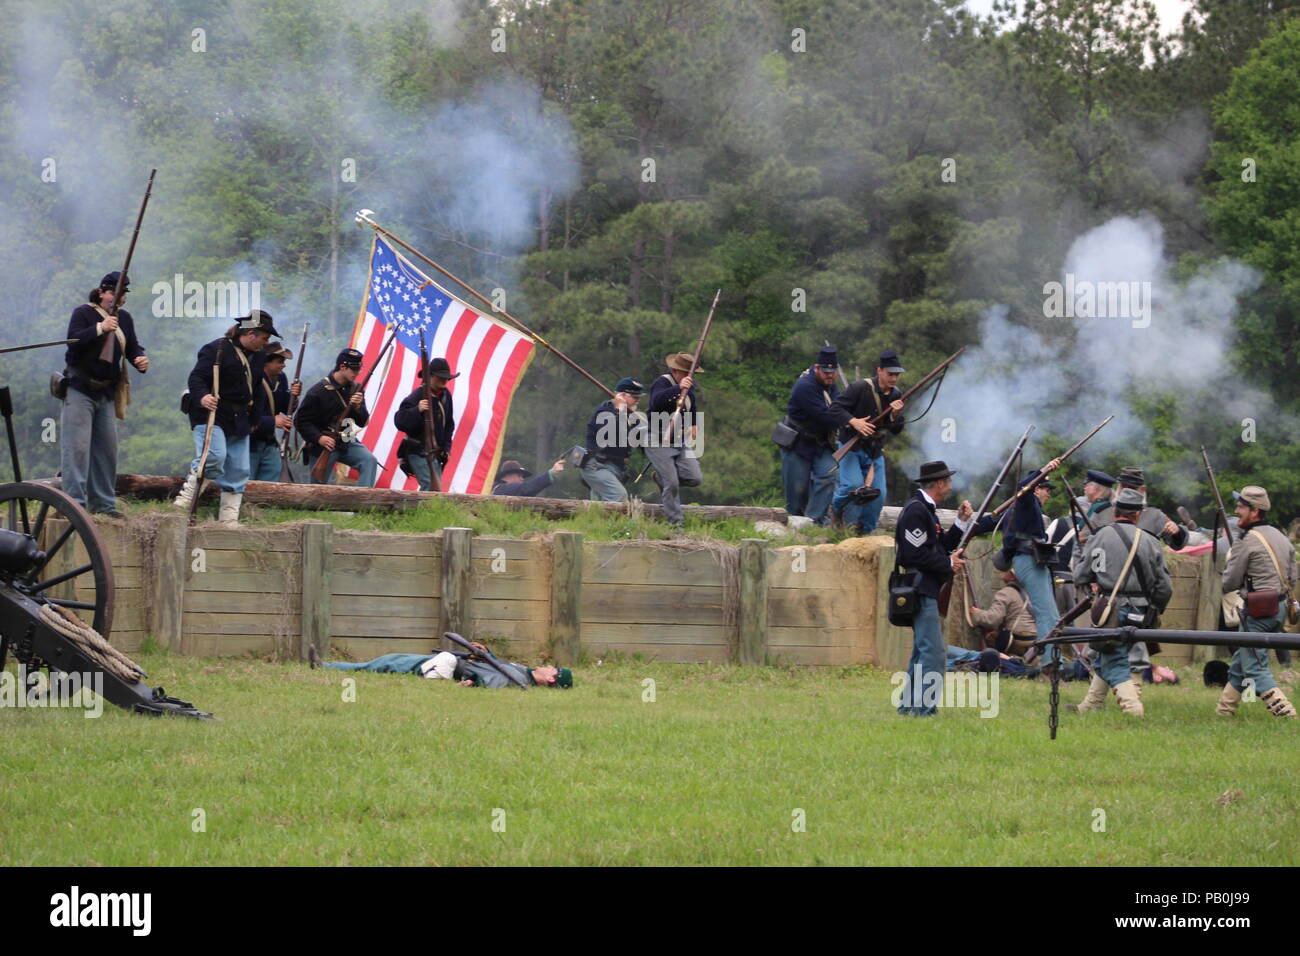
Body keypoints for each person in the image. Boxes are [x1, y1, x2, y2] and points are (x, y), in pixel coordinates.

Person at [1071, 488, 1173, 716]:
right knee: (1104, 654)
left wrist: (1088, 569)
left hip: (1110, 609)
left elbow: (1080, 576)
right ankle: (1091, 704)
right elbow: (1165, 587)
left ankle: (1133, 708)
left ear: (1115, 510)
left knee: (1113, 658)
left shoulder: (1100, 536)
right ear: (1138, 514)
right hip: (1142, 611)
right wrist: (1154, 609)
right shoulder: (1150, 541)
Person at [173, 311, 277, 525]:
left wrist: (255, 418)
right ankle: (182, 504)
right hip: (211, 413)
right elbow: (197, 377)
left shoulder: (258, 356)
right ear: (251, 334)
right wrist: (203, 397)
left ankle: (228, 520)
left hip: (241, 418)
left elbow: (257, 389)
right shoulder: (216, 349)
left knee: (239, 469)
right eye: (265, 338)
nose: (266, 343)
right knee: (213, 458)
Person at [894, 460, 981, 716]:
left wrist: (961, 523)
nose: (951, 487)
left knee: (922, 651)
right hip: (920, 588)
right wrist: (947, 562)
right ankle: (924, 710)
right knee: (933, 654)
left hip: (924, 587)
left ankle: (909, 707)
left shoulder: (925, 511)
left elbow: (939, 545)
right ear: (940, 483)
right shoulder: (916, 511)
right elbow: (912, 555)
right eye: (949, 482)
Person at [59, 271, 149, 517]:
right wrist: (100, 328)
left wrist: (139, 358)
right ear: (101, 293)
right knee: (76, 448)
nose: (118, 299)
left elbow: (131, 346)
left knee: (107, 451)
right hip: (80, 387)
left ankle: (104, 505)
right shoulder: (84, 313)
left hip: (106, 390)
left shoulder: (125, 319)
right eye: (114, 293)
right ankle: (75, 505)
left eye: (121, 295)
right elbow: (74, 341)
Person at [1216, 484, 1297, 718]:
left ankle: (1286, 713)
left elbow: (1229, 582)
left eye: (1241, 506)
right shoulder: (1280, 537)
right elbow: (1292, 577)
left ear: (1255, 511)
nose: (1237, 510)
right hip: (1280, 608)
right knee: (1242, 661)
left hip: (1259, 611)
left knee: (1254, 668)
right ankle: (1224, 711)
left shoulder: (1247, 541)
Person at [829, 350, 906, 534]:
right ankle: (836, 510)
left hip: (874, 449)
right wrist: (853, 421)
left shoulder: (896, 394)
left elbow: (895, 430)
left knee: (879, 495)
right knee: (852, 485)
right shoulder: (859, 387)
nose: (894, 378)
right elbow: (834, 409)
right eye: (890, 374)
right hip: (851, 446)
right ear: (879, 370)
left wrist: (895, 415)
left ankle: (866, 531)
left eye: (896, 374)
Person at [997, 462, 1064, 668]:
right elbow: (1022, 489)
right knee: (1047, 614)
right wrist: (1044, 470)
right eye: (1046, 489)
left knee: (1049, 613)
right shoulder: (1027, 502)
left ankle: (1051, 661)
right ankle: (1050, 664)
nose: (1048, 494)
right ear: (1037, 488)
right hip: (1028, 559)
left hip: (1031, 559)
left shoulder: (1027, 506)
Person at [309, 641, 572, 689]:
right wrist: (485, 653)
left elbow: (493, 679)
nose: (549, 666)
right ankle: (328, 666)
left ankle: (326, 668)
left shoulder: (520, 680)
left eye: (554, 670)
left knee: (387, 663)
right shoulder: (520, 671)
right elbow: (494, 668)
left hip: (448, 666)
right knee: (387, 661)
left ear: (551, 679)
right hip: (452, 663)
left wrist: (473, 681)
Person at [294, 348, 379, 487]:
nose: (357, 373)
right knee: (317, 490)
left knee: (369, 461)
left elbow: (363, 422)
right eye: (354, 369)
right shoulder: (317, 392)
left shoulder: (356, 389)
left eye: (358, 369)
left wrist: (357, 407)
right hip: (323, 444)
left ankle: (364, 504)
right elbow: (300, 421)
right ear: (342, 367)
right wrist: (319, 438)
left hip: (346, 439)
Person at [781, 346, 842, 523]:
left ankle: (815, 521)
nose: (829, 375)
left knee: (828, 476)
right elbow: (826, 417)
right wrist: (850, 419)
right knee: (797, 489)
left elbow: (837, 406)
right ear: (817, 368)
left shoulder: (831, 384)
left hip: (821, 443)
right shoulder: (804, 386)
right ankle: (795, 523)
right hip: (798, 443)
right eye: (825, 371)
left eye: (832, 372)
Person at [646, 352, 704, 531]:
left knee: (695, 477)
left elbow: (691, 405)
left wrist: (694, 424)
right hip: (657, 437)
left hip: (679, 438)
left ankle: (662, 478)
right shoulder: (662, 383)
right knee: (671, 483)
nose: (690, 377)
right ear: (675, 371)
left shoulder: (689, 386)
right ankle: (676, 524)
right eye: (686, 373)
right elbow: (656, 402)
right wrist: (678, 388)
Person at [393, 357, 456, 491]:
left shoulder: (446, 396)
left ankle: (416, 512)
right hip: (417, 450)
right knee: (429, 485)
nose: (445, 380)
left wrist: (446, 447)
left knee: (436, 490)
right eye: (441, 377)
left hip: (436, 452)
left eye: (446, 377)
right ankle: (418, 512)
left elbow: (449, 424)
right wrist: (418, 410)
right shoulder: (417, 396)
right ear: (431, 376)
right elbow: (400, 421)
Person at [581, 377, 647, 502]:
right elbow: (612, 435)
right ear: (621, 396)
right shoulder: (604, 411)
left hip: (615, 468)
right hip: (597, 466)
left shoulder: (631, 417)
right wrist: (620, 410)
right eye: (634, 396)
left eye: (638, 397)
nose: (637, 400)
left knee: (598, 507)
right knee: (619, 496)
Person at [248, 343, 300, 482]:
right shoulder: (252, 379)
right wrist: (273, 421)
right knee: (247, 478)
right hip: (250, 439)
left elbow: (285, 406)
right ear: (266, 362)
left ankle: (261, 504)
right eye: (280, 361)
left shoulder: (280, 378)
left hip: (268, 439)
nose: (283, 365)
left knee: (272, 475)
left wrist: (293, 397)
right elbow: (247, 413)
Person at [969, 564, 1038, 656]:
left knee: (990, 639)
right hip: (1034, 641)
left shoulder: (1005, 593)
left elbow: (992, 620)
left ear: (1013, 577)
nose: (1005, 572)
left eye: (1009, 571)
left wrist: (977, 613)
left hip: (1016, 641)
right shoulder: (1032, 592)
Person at [492, 459, 566, 497]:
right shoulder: (501, 489)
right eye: (519, 475)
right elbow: (527, 488)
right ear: (506, 475)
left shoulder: (497, 489)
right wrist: (552, 472)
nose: (522, 479)